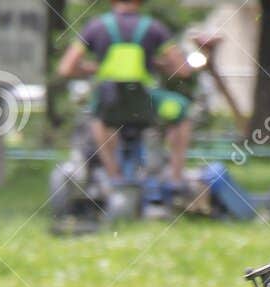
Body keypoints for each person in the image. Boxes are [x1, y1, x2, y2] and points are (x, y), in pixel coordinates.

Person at [57, 1, 191, 197]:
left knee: (98, 118)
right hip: (146, 105)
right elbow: (184, 70)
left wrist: (94, 68)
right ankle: (176, 178)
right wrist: (157, 65)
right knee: (181, 108)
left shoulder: (96, 26)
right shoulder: (154, 28)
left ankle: (114, 176)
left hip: (108, 106)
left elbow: (66, 68)